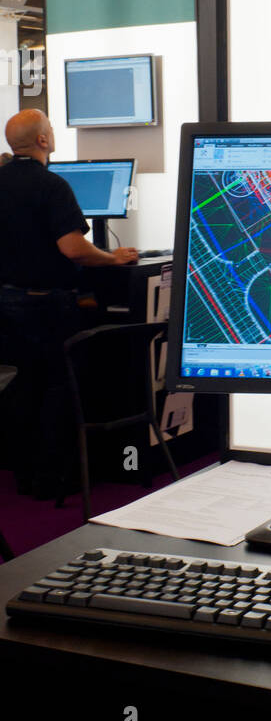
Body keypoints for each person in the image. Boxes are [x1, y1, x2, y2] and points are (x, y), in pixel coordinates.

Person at [0, 109, 138, 497]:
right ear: (43, 140)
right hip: (45, 305)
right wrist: (115, 259)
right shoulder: (52, 186)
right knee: (60, 384)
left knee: (24, 382)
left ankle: (24, 475)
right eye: (51, 130)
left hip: (6, 305)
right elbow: (74, 249)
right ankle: (56, 477)